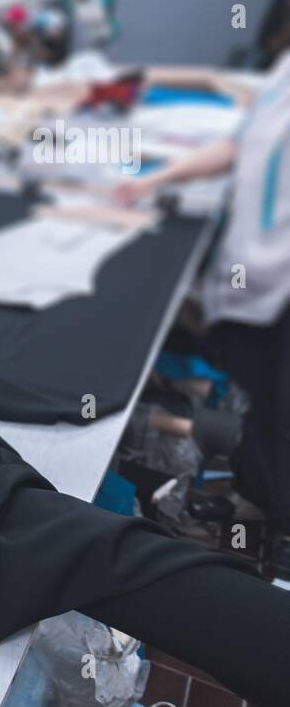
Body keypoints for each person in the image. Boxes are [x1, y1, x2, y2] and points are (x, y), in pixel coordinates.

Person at [115, 53, 290, 570]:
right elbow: (239, 146)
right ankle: (260, 504)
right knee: (262, 406)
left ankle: (277, 540)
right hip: (257, 280)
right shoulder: (284, 72)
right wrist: (156, 180)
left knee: (282, 414)